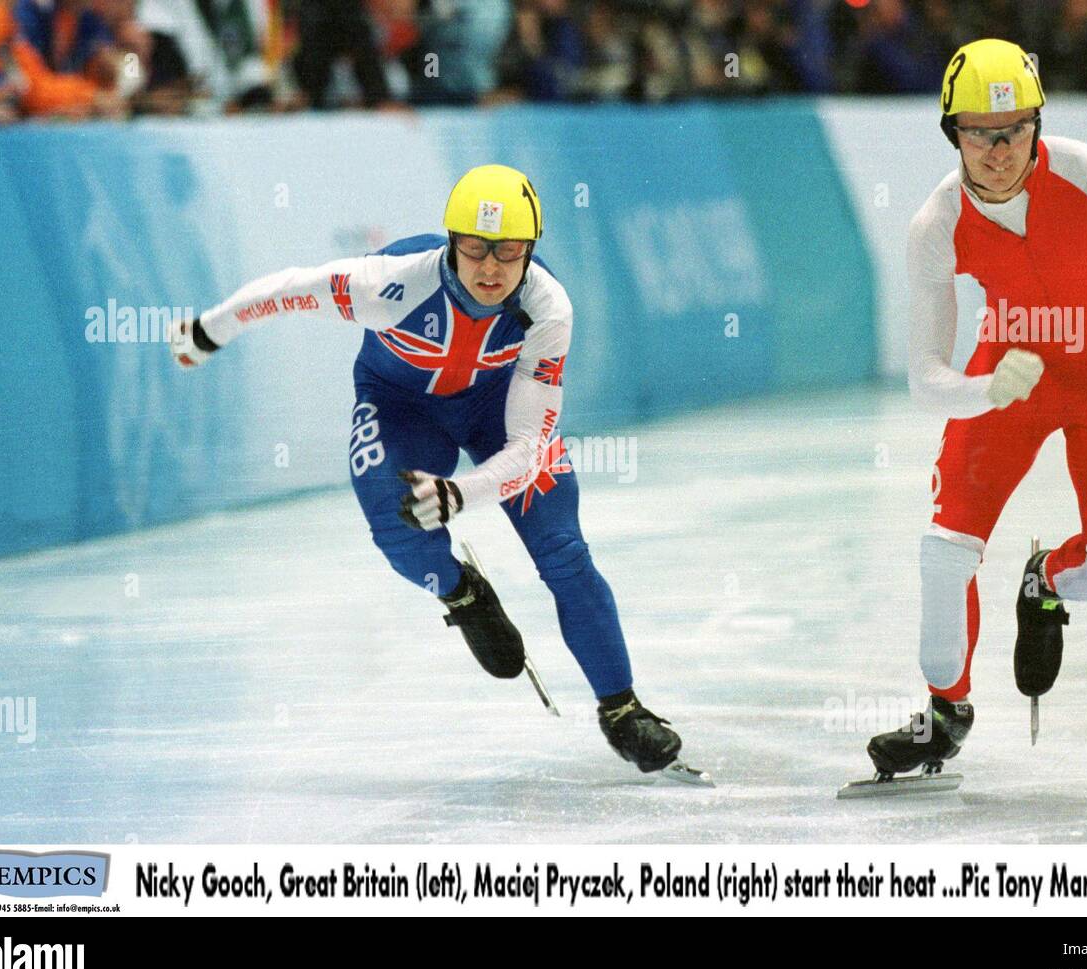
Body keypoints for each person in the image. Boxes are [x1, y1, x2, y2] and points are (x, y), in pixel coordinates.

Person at [171, 164, 698, 779]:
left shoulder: (548, 309)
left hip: (495, 410)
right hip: (401, 407)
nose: (490, 268)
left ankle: (621, 708)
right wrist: (210, 330)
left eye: (509, 251)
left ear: (531, 249)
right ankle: (461, 591)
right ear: (451, 242)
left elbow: (528, 447)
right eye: (475, 247)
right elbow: (289, 289)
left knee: (563, 551)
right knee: (400, 534)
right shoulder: (389, 282)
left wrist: (461, 493)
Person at [867, 39, 1087, 778]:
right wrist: (985, 391)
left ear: (1038, 124)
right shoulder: (935, 226)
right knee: (943, 553)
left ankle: (1046, 582)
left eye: (1014, 132)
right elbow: (923, 377)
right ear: (951, 133)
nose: (999, 152)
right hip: (1013, 375)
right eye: (979, 132)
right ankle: (946, 709)